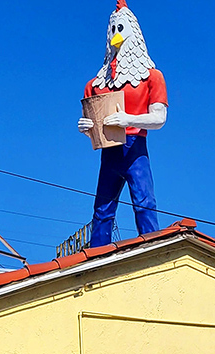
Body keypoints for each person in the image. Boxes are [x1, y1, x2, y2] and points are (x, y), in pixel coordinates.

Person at [78, 0, 168, 247]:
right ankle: (97, 257)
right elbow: (94, 124)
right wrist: (88, 128)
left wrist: (128, 119)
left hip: (135, 146)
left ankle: (151, 250)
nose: (116, 34)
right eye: (113, 29)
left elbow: (159, 118)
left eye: (121, 28)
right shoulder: (96, 83)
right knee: (102, 209)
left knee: (144, 203)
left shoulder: (151, 76)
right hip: (109, 150)